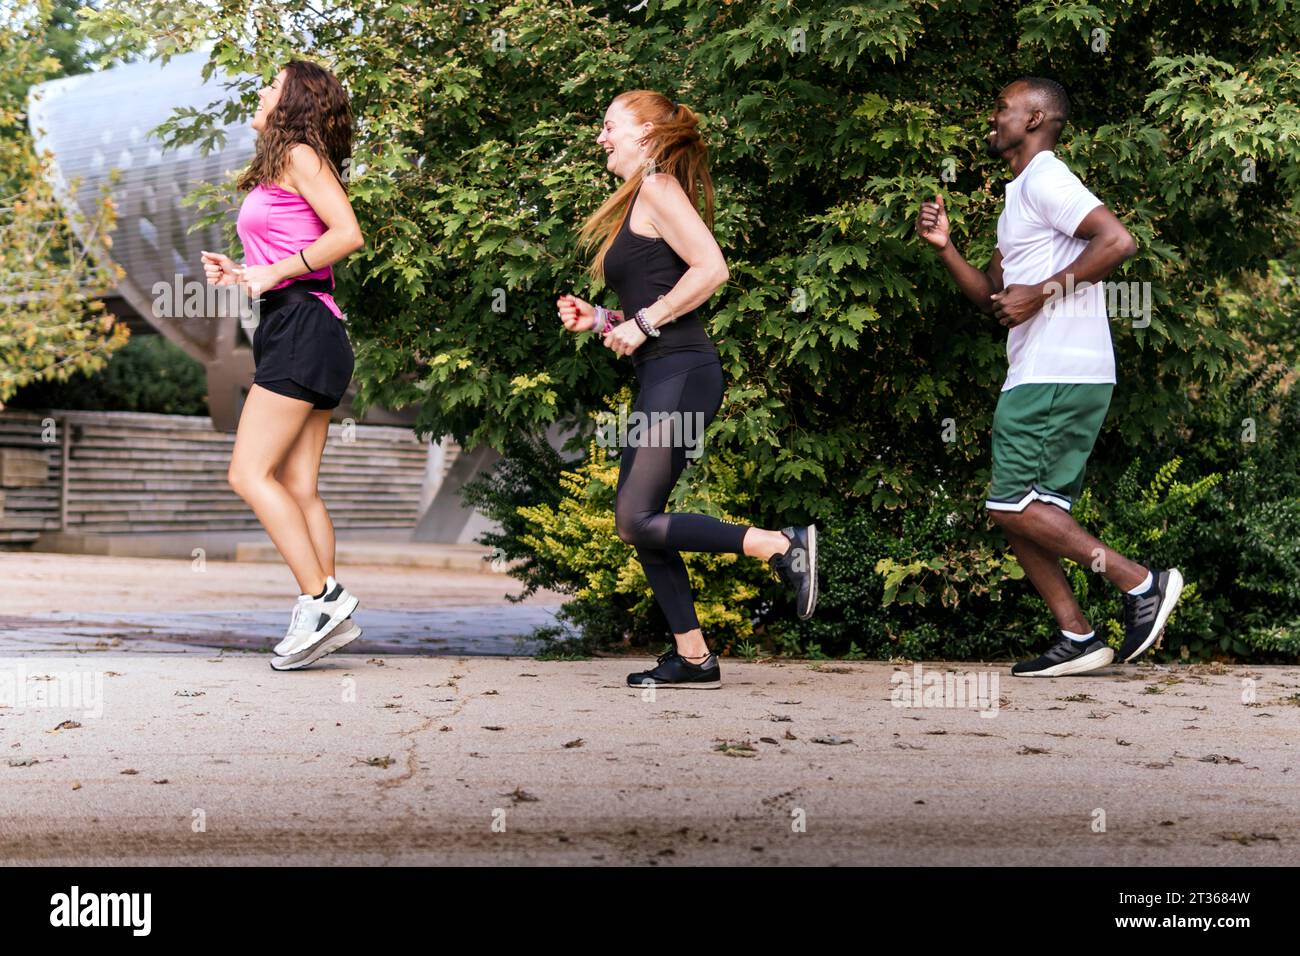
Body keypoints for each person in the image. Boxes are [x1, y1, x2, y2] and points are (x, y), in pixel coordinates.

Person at [916, 77, 1184, 677]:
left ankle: (1141, 583)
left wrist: (1040, 294)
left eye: (1000, 108)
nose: (991, 118)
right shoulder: (1018, 197)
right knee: (1026, 510)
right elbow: (992, 297)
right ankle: (1078, 634)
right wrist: (946, 249)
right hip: (1046, 368)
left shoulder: (1046, 177)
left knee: (1010, 505)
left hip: (1058, 368)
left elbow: (1118, 240)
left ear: (1035, 118)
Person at [557, 90, 818, 689]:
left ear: (646, 135)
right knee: (638, 518)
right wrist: (601, 321)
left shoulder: (657, 188)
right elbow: (655, 296)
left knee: (636, 517)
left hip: (683, 372)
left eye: (609, 127)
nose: (601, 138)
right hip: (664, 371)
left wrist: (643, 322)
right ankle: (694, 657)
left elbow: (712, 268)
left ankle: (781, 544)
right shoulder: (638, 199)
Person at [201, 59, 364, 671]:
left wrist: (275, 269)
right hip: (298, 324)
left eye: (272, 86)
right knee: (297, 487)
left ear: (293, 100)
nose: (263, 92)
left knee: (247, 473)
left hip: (303, 328)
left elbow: (347, 233)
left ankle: (322, 598)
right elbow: (295, 258)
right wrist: (246, 274)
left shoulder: (299, 153)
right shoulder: (282, 166)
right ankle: (326, 612)